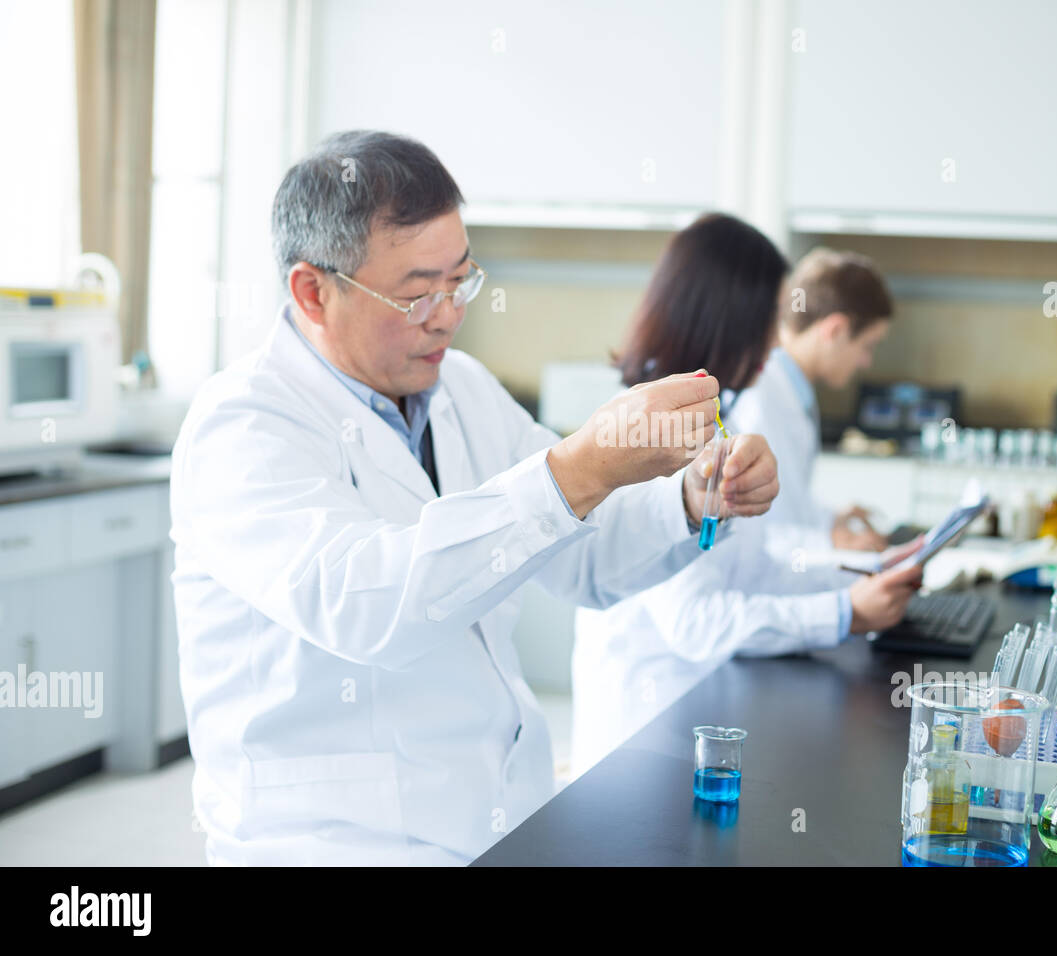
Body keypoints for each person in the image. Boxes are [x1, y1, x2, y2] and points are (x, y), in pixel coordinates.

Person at [169, 131, 780, 866]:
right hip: (336, 843)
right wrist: (580, 467)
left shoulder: (461, 389)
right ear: (312, 292)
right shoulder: (241, 427)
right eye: (417, 292)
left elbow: (580, 559)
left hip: (493, 820)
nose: (449, 314)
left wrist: (691, 499)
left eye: (461, 280)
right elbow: (370, 607)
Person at [570, 217, 923, 777]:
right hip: (645, 740)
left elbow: (754, 569)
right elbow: (696, 621)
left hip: (700, 719)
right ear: (725, 316)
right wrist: (842, 611)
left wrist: (861, 576)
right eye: (768, 320)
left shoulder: (721, 417)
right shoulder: (649, 437)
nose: (777, 339)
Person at [729, 247, 897, 559]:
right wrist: (833, 542)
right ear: (835, 329)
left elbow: (787, 505)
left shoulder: (794, 390)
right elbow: (757, 531)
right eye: (867, 345)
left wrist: (832, 519)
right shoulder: (761, 398)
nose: (865, 361)